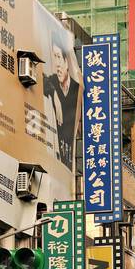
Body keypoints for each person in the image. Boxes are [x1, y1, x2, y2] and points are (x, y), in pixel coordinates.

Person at [44, 37, 80, 170]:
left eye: (59, 57)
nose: (57, 64)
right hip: (56, 160)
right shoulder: (52, 82)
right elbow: (41, 79)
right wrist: (54, 94)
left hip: (70, 163)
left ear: (67, 62)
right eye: (54, 57)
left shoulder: (77, 90)